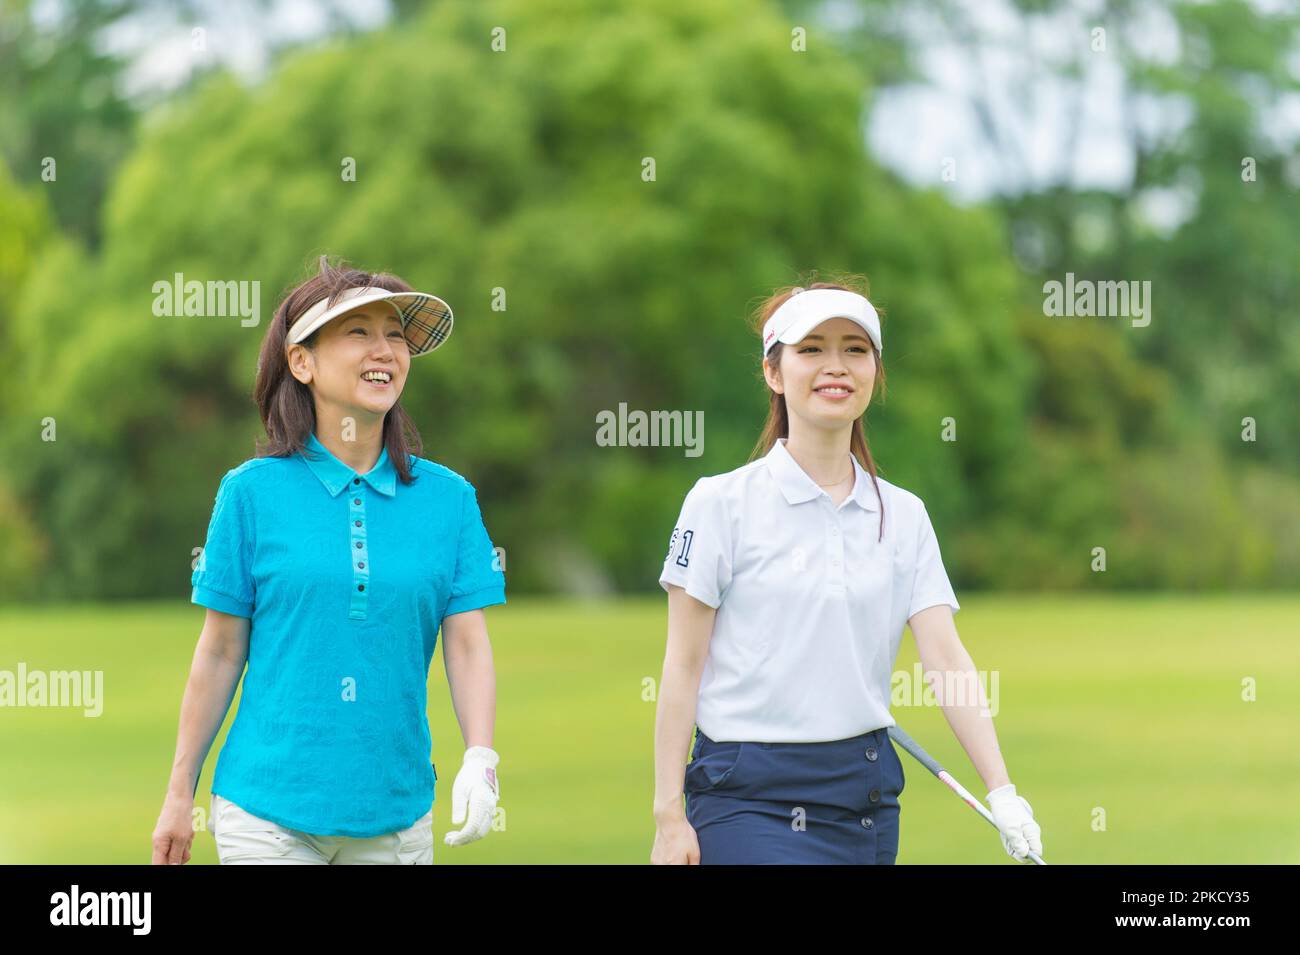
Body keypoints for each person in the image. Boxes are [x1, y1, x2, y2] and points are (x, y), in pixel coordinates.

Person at [651, 278, 1044, 865]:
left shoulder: (904, 515)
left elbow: (945, 657)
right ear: (774, 372)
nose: (835, 366)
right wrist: (668, 816)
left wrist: (1005, 792)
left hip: (864, 797)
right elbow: (682, 665)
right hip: (746, 796)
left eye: (854, 349)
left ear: (874, 372)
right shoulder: (719, 504)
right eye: (811, 348)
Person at [151, 256, 505, 864]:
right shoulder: (250, 494)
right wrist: (179, 791)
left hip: (395, 812)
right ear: (302, 361)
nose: (385, 350)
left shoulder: (449, 499)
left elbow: (467, 644)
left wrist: (481, 756)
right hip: (266, 812)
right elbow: (219, 650)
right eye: (359, 333)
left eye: (396, 335)